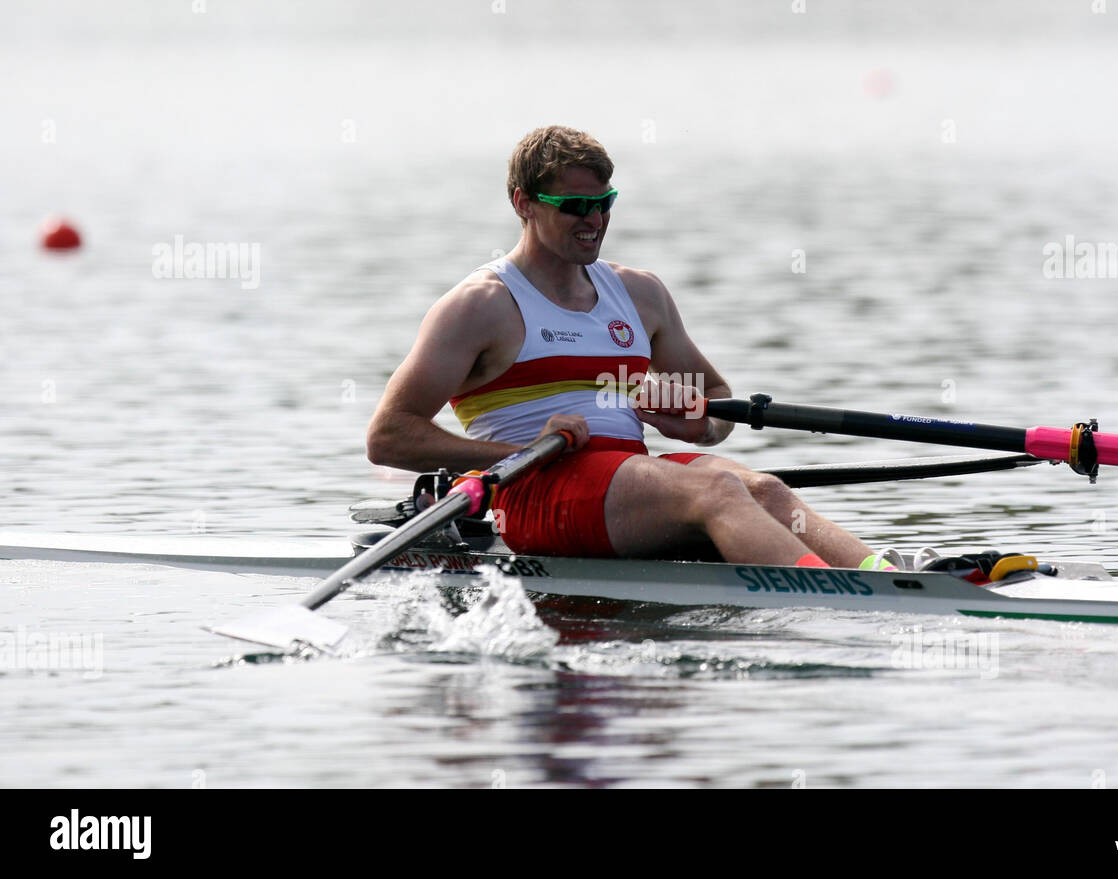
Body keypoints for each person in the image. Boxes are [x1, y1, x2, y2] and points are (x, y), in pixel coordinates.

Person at [367, 125, 889, 570]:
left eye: (604, 203)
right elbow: (389, 437)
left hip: (627, 480)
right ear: (522, 203)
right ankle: (839, 599)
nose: (594, 220)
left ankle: (886, 577)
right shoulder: (479, 306)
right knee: (718, 493)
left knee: (764, 489)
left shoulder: (639, 294)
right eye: (575, 206)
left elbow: (716, 395)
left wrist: (701, 423)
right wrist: (518, 454)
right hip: (533, 492)